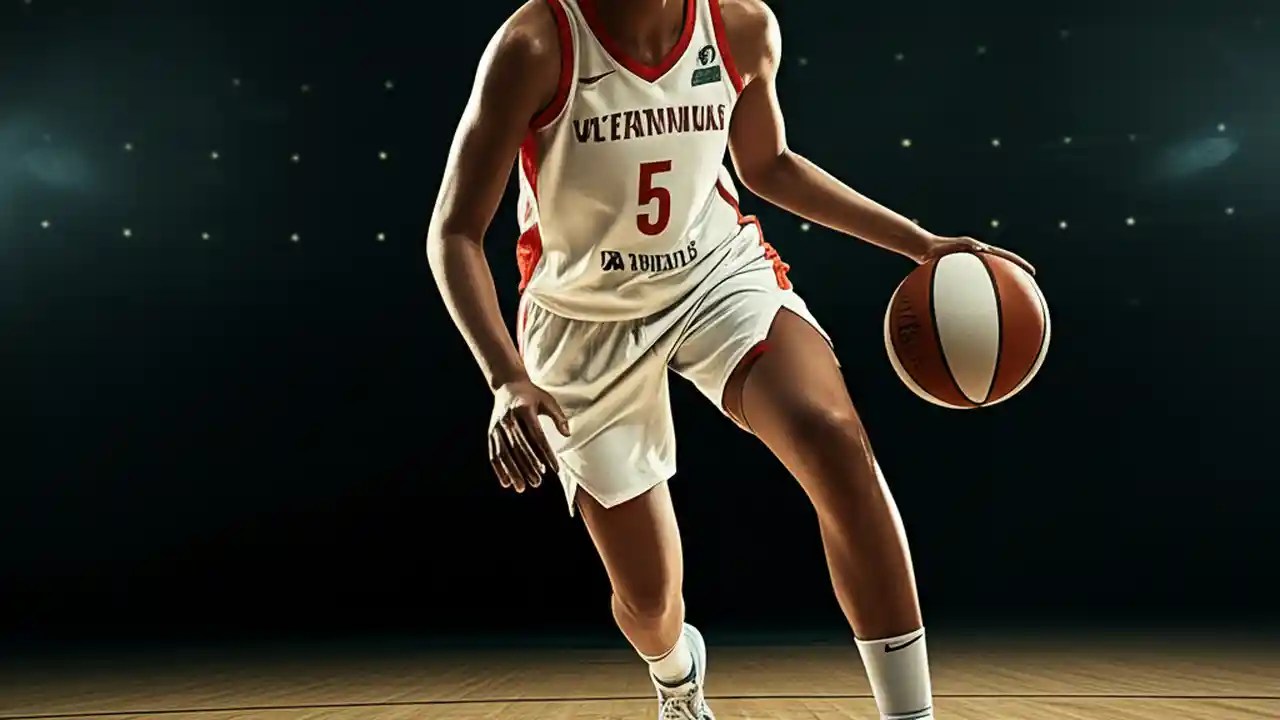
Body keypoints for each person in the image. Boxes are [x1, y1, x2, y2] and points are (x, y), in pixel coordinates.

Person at [426, 1, 1033, 718]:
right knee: (650, 601)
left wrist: (920, 244)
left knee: (832, 437)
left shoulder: (740, 23)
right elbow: (456, 232)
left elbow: (767, 165)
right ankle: (677, 677)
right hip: (583, 317)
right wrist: (505, 378)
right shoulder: (535, 43)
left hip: (713, 273)